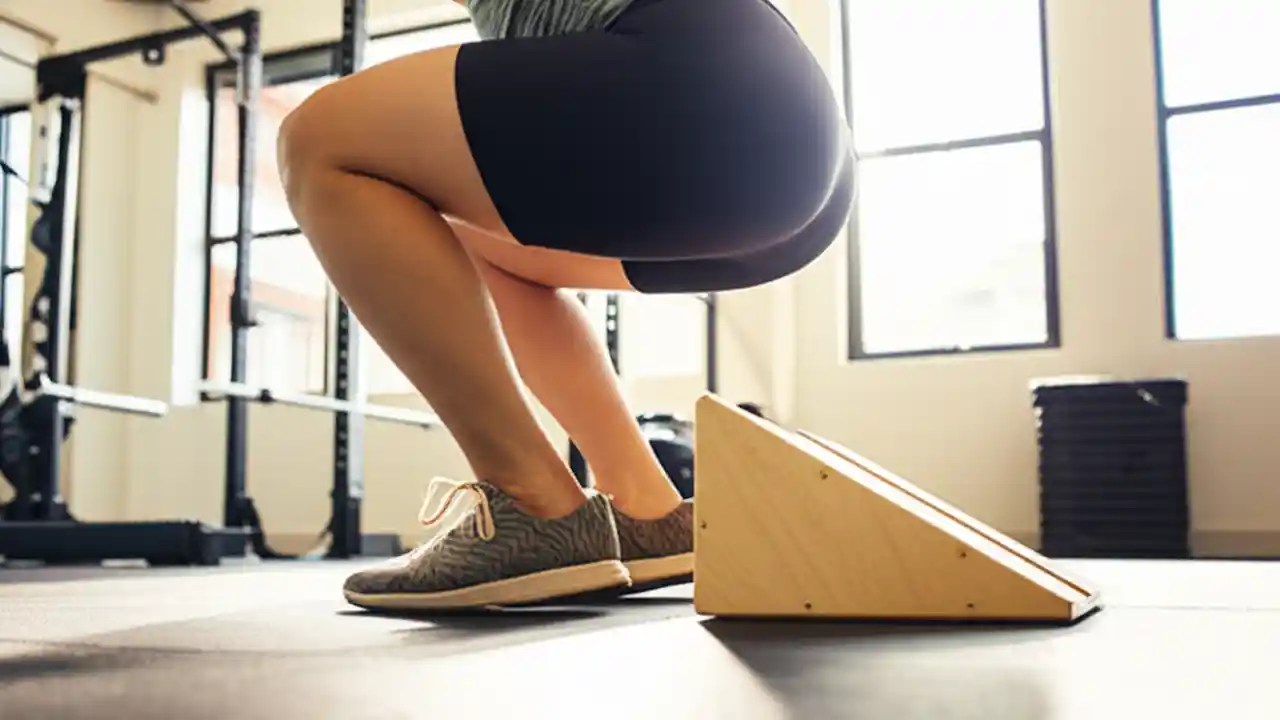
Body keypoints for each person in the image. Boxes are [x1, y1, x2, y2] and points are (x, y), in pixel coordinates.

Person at [278, 0, 854, 610]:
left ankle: (528, 498)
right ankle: (646, 509)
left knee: (319, 140)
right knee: (480, 243)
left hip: (708, 89)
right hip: (792, 151)